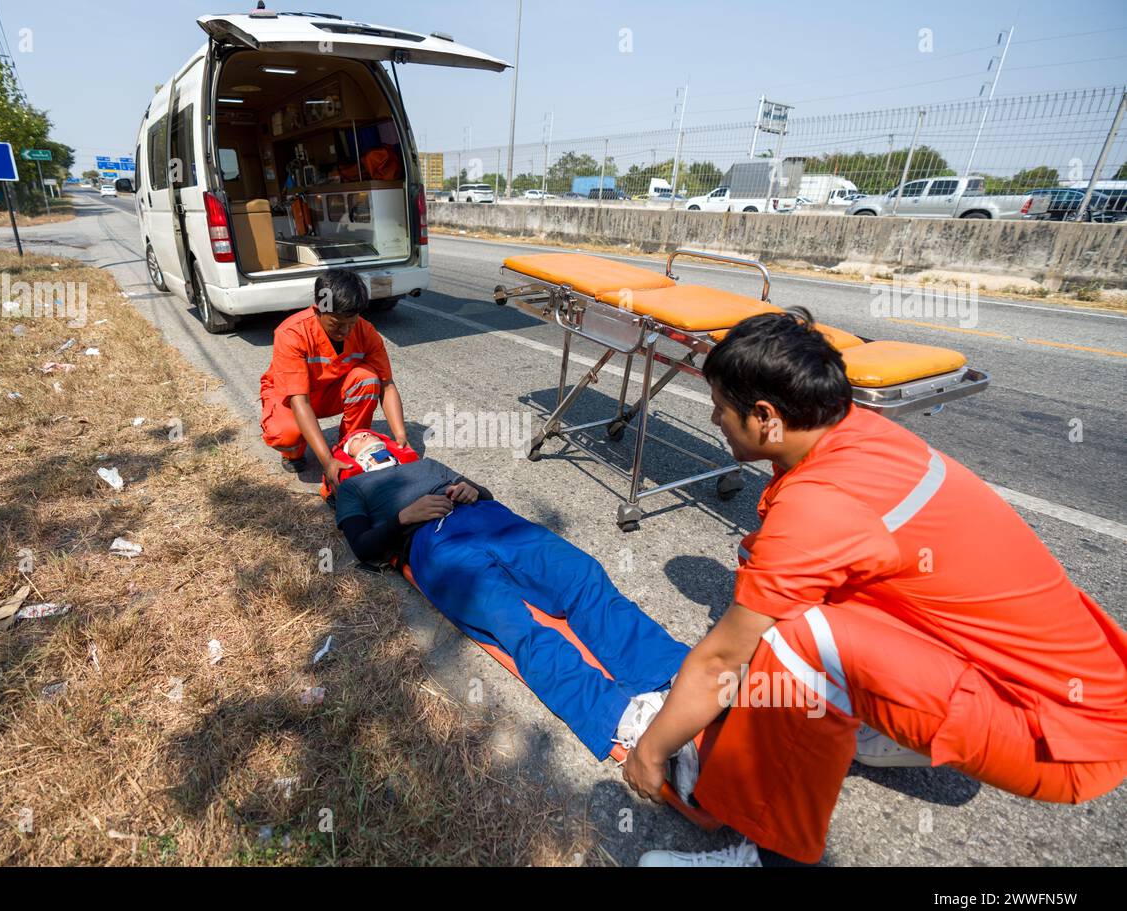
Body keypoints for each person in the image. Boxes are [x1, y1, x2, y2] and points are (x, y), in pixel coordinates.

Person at [624, 311, 1127, 866]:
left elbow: (721, 660)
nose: (715, 416)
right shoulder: (859, 434)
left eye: (719, 404)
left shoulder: (820, 506)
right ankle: (864, 720)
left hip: (1057, 739)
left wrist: (651, 752)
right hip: (1077, 693)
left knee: (794, 640)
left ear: (766, 416)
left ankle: (771, 854)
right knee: (777, 577)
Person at [335, 430, 697, 773]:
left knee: (581, 575)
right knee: (511, 622)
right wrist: (403, 518)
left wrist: (471, 490)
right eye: (355, 439)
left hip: (492, 520)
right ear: (348, 455)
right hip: (433, 542)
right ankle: (619, 717)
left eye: (370, 434)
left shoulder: (426, 466)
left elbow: (486, 493)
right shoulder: (354, 487)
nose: (365, 436)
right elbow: (363, 547)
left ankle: (663, 668)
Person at [259, 270, 409, 490]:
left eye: (351, 322)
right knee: (286, 435)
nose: (346, 331)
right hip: (291, 398)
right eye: (337, 324)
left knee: (368, 378)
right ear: (318, 309)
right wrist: (326, 462)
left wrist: (400, 435)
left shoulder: (366, 331)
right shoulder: (292, 333)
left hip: (328, 392)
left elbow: (386, 384)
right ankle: (293, 453)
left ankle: (347, 446)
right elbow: (299, 400)